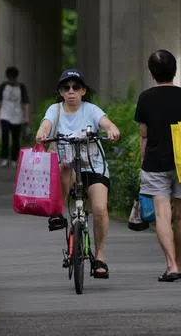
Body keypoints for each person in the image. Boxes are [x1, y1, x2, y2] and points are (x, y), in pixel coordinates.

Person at [34, 69, 121, 280]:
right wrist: (42, 133)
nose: (71, 92)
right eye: (66, 88)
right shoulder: (55, 110)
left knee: (100, 209)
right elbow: (45, 125)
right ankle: (58, 212)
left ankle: (99, 257)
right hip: (69, 166)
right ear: (61, 92)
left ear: (83, 91)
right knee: (64, 167)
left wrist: (112, 130)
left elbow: (107, 123)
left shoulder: (91, 109)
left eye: (75, 87)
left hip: (94, 165)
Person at [135, 49, 181, 282]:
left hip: (155, 163)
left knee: (162, 216)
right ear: (175, 71)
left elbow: (143, 136)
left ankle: (171, 264)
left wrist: (141, 164)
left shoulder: (145, 98)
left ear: (151, 73)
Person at [0, 66, 30, 167]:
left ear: (16, 77)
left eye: (13, 78)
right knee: (5, 136)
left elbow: (26, 103)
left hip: (17, 116)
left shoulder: (21, 87)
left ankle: (14, 159)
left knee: (15, 139)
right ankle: (5, 158)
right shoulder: (3, 86)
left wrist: (26, 117)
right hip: (4, 115)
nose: (11, 80)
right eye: (10, 78)